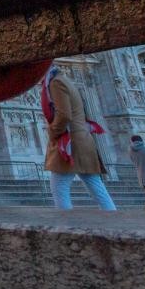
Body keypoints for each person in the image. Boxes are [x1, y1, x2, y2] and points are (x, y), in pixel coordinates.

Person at [42, 65, 116, 210]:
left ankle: (66, 223)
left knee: (59, 187)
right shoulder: (65, 80)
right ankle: (113, 215)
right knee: (95, 185)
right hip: (82, 140)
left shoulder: (56, 83)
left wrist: (52, 132)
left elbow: (64, 115)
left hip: (71, 142)